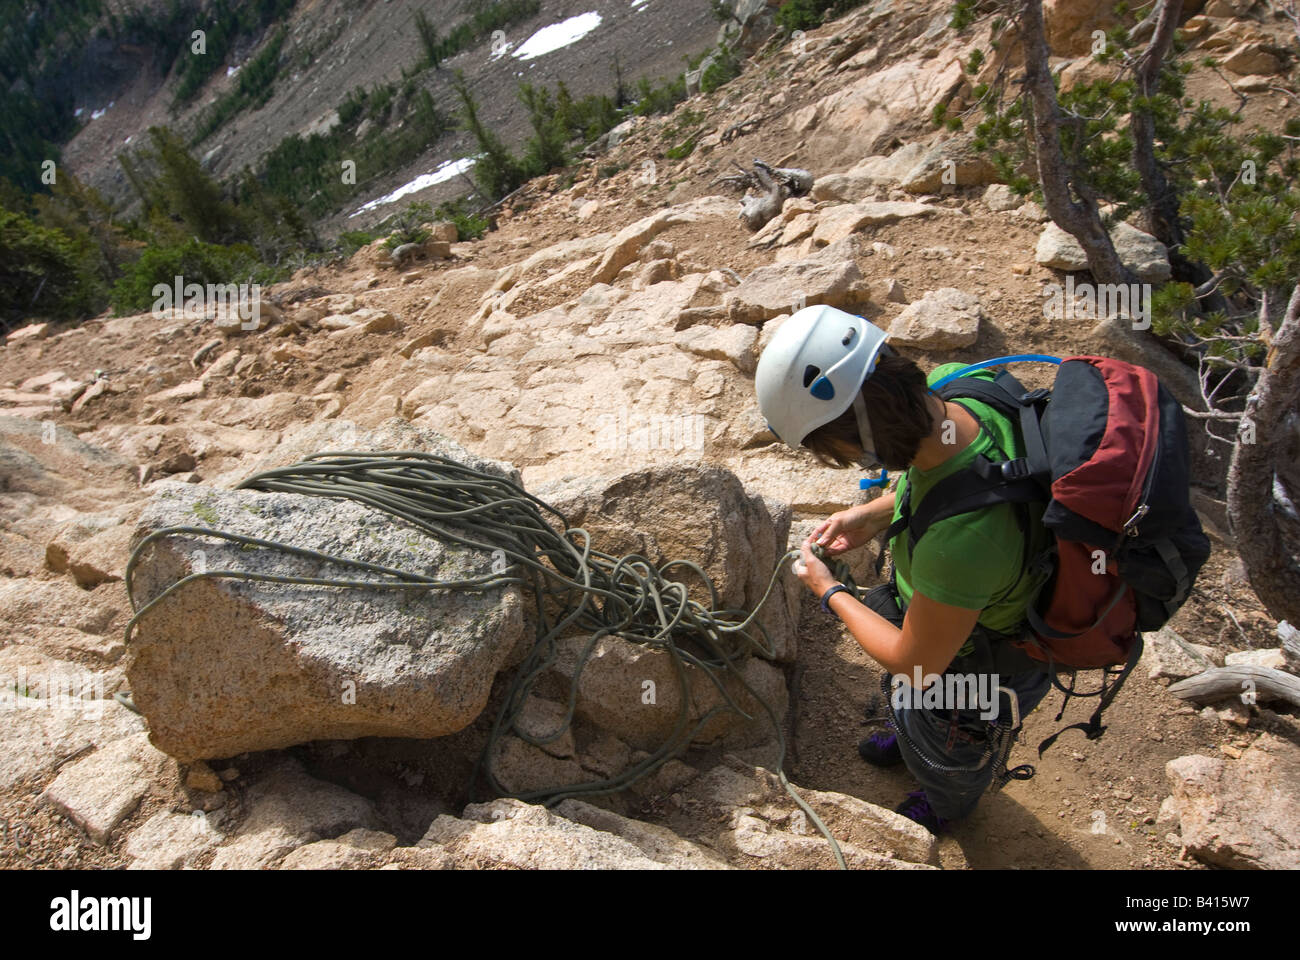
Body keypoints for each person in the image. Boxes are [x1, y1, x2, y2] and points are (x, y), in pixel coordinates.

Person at [754, 304, 1053, 834]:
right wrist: (876, 512)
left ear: (860, 428)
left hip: (988, 661)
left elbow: (918, 667)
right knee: (913, 696)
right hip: (961, 610)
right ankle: (912, 731)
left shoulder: (962, 542)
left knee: (952, 737)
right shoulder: (952, 389)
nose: (845, 462)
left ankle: (946, 798)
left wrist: (830, 593)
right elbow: (962, 473)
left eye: (837, 449)